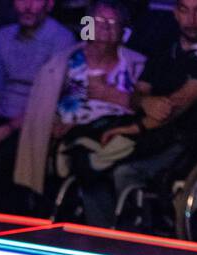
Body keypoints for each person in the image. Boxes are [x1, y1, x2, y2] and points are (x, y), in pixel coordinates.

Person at [82, 0, 197, 225]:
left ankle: (134, 234)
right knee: (86, 161)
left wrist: (130, 128)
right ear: (175, 13)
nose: (191, 20)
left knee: (123, 171)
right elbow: (137, 95)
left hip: (189, 142)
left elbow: (171, 108)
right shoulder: (165, 51)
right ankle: (102, 235)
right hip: (153, 136)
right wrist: (145, 102)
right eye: (185, 10)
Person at [13, 0, 146, 217]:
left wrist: (112, 96)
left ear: (123, 30)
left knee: (98, 160)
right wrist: (57, 122)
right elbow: (52, 105)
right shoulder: (65, 63)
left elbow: (143, 105)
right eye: (100, 21)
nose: (105, 27)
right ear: (88, 25)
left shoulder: (136, 65)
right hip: (75, 132)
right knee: (84, 160)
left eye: (113, 23)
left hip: (120, 131)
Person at [0, 0, 75, 213]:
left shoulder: (61, 39)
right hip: (3, 116)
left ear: (49, 4)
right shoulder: (3, 36)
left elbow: (51, 99)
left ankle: (12, 227)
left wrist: (1, 132)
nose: (27, 6)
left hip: (39, 123)